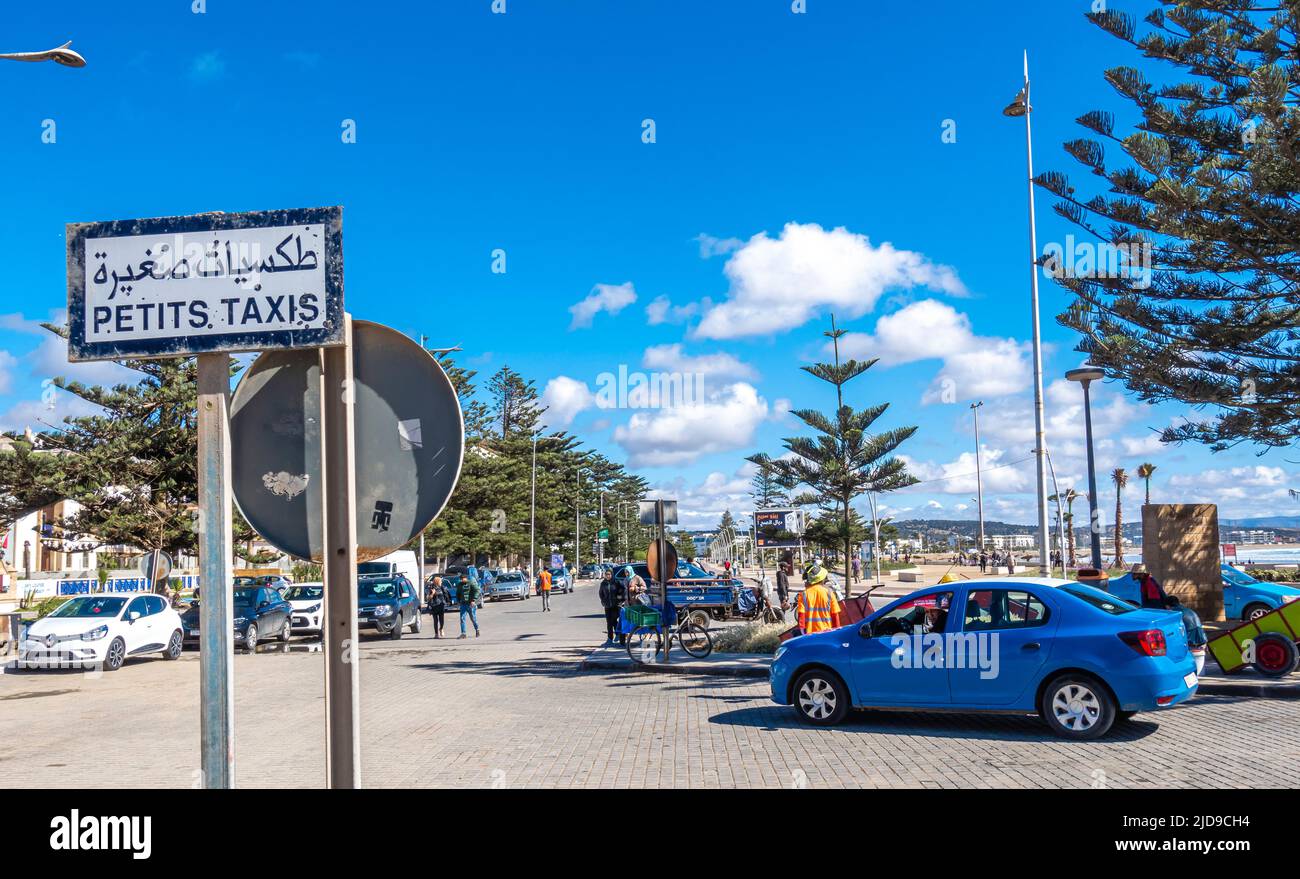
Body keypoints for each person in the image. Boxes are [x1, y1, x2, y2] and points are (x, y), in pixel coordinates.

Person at [796, 562, 841, 635]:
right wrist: (837, 634)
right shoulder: (829, 593)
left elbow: (801, 619)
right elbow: (835, 617)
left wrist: (803, 636)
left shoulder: (803, 594)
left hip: (810, 635)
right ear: (822, 579)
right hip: (827, 633)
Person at [598, 568, 625, 644]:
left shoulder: (616, 582)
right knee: (609, 622)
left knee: (614, 620)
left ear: (612, 575)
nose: (608, 576)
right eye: (606, 574)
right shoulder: (603, 583)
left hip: (616, 605)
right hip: (607, 605)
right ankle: (610, 638)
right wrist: (603, 601)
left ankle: (617, 634)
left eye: (609, 574)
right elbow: (601, 593)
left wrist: (620, 598)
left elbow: (623, 590)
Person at [425, 574, 450, 639]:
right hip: (434, 606)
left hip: (441, 606)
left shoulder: (442, 587)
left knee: (442, 621)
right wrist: (432, 593)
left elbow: (445, 595)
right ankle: (436, 634)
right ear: (437, 581)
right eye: (440, 581)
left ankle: (441, 628)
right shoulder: (431, 588)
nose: (441, 582)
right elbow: (428, 598)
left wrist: (447, 602)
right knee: (435, 621)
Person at [457, 572, 480, 638]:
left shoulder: (471, 583)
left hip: (470, 604)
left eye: (462, 579)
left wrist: (473, 600)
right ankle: (463, 633)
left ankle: (477, 629)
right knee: (462, 618)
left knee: (473, 618)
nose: (461, 580)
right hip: (463, 604)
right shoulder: (459, 585)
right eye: (460, 579)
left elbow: (477, 590)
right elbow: (457, 593)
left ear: (465, 578)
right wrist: (458, 601)